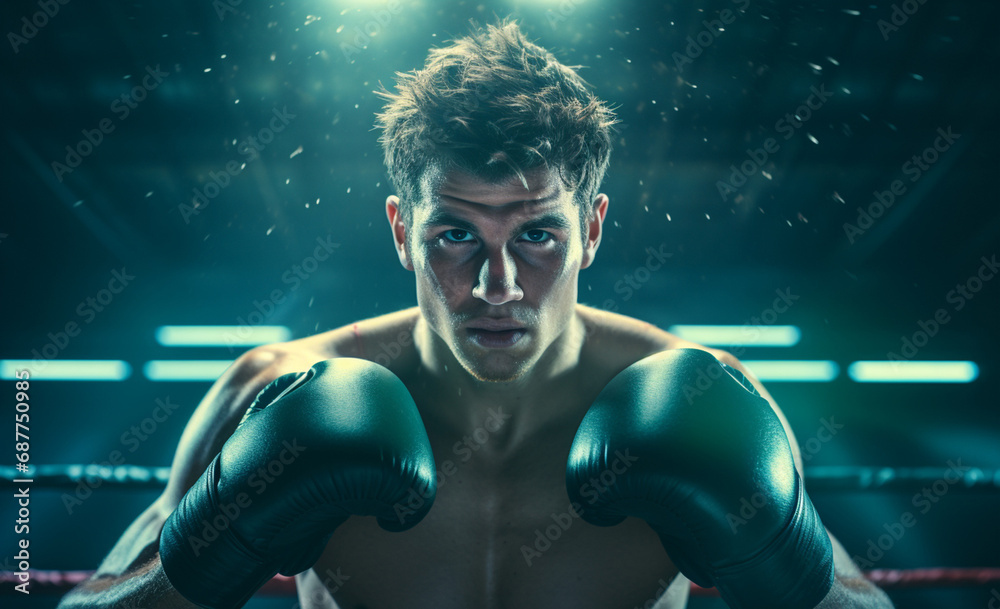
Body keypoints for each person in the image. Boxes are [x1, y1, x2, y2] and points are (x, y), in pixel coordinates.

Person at [57, 17, 893, 609]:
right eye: (456, 234)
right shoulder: (273, 390)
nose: (498, 283)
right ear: (401, 230)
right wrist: (219, 540)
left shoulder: (711, 401)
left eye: (537, 235)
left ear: (594, 229)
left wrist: (778, 556)